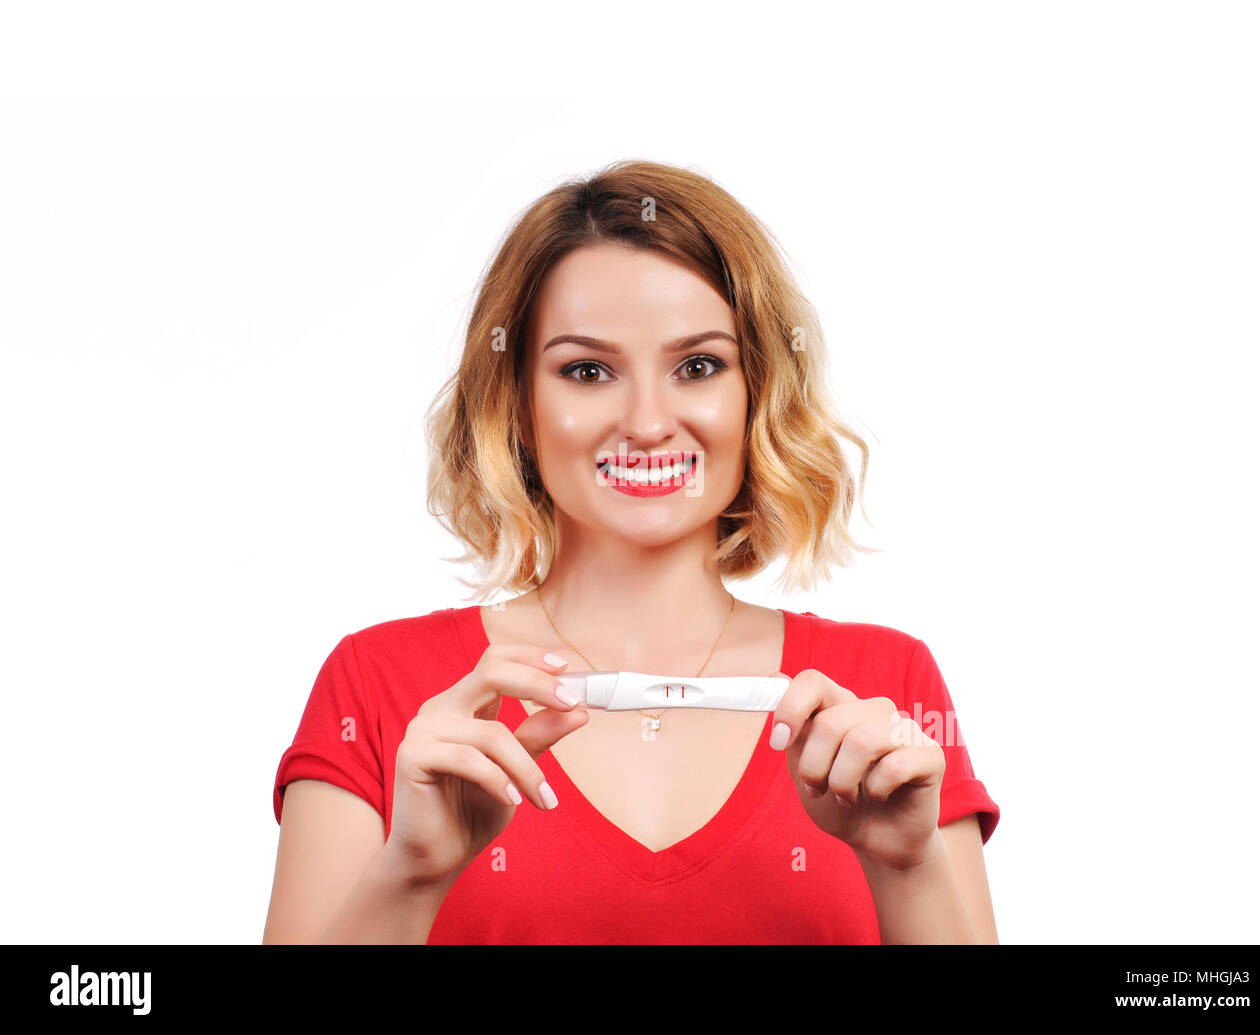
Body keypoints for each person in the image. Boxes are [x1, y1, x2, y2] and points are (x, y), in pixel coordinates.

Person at [262, 160, 1000, 944]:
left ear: (757, 391)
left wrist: (908, 868)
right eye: (587, 371)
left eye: (698, 366)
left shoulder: (887, 686)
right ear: (517, 402)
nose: (647, 422)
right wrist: (410, 875)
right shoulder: (377, 686)